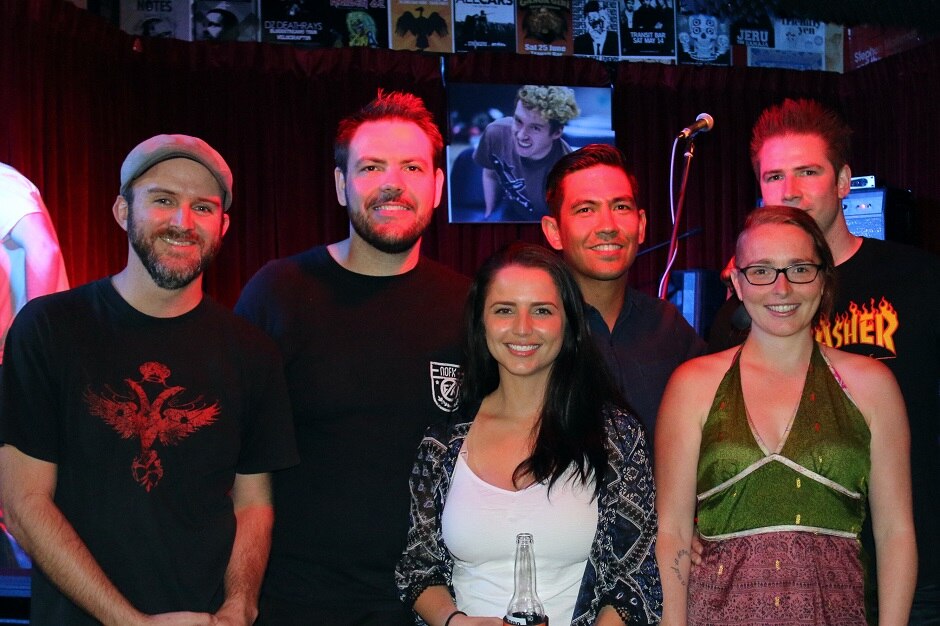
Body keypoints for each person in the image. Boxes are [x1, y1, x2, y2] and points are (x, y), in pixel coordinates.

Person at [0, 134, 299, 625]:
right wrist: (128, 622)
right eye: (163, 200)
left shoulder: (252, 352)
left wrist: (238, 608)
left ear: (222, 226)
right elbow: (23, 502)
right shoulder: (50, 329)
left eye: (203, 207)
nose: (182, 222)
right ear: (123, 210)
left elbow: (254, 503)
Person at [235, 91, 470, 625]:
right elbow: (233, 457)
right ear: (341, 186)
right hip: (297, 605)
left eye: (412, 166)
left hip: (438, 607)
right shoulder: (279, 293)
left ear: (436, 186)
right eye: (371, 167)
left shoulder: (470, 307)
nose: (393, 182)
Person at [707, 98, 940, 622]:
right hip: (791, 583)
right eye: (773, 176)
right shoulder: (739, 314)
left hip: (914, 565)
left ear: (842, 181)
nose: (789, 190)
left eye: (807, 171)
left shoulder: (921, 280)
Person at [656, 205, 916, 625]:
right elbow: (672, 535)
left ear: (823, 279)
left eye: (799, 269)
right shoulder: (692, 385)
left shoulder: (873, 386)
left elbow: (896, 534)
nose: (781, 288)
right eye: (761, 271)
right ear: (738, 283)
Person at [396, 242, 662, 626]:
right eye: (504, 310)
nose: (523, 328)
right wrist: (455, 622)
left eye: (541, 311)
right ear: (481, 322)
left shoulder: (617, 438)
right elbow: (417, 569)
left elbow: (636, 581)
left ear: (568, 324)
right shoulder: (442, 444)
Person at [541, 144, 705, 439]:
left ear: (641, 225)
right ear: (554, 232)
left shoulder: (668, 328)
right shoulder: (535, 332)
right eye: (586, 210)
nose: (608, 226)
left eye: (620, 207)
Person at [0, 162, 70, 568]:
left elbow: (42, 249)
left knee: (25, 505)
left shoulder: (3, 182)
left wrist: (30, 344)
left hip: (18, 366)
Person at [474, 85, 580, 222]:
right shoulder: (496, 132)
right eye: (518, 121)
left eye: (535, 128)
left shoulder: (566, 168)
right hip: (510, 210)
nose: (521, 135)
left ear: (556, 133)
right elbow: (490, 174)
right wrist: (489, 216)